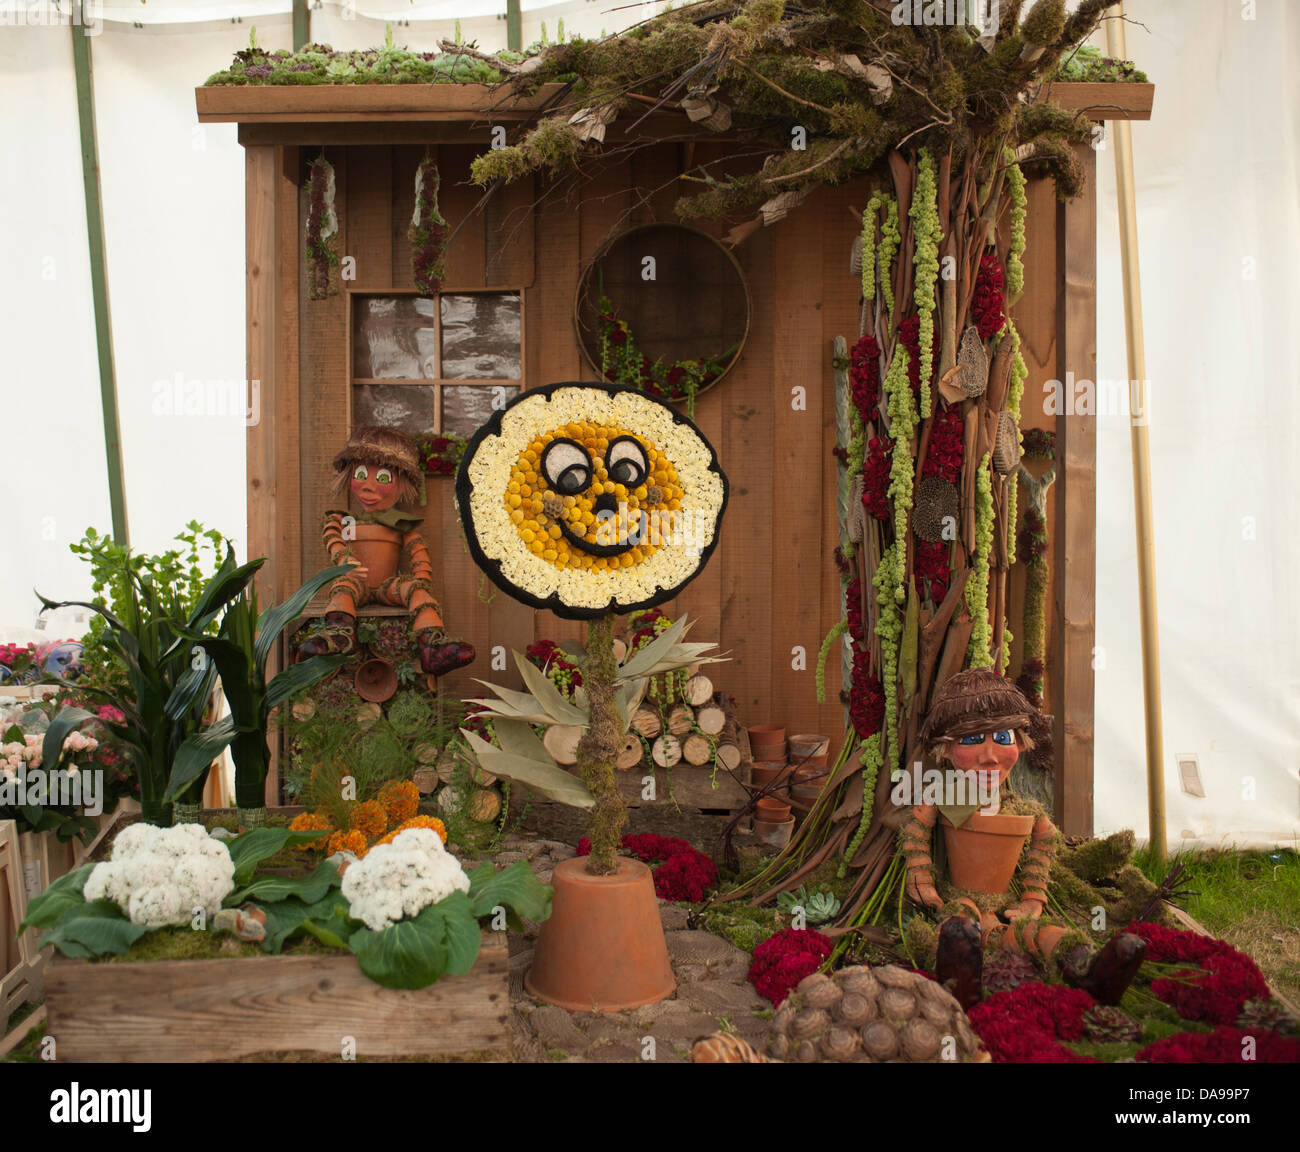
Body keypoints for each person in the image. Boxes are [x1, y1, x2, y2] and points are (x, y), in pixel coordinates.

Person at [899, 668, 1145, 1006]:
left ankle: (1084, 964)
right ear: (946, 748)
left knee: (1029, 931)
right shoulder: (946, 796)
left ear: (1020, 742)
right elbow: (916, 828)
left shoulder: (1022, 809)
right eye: (971, 740)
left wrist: (1033, 895)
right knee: (961, 921)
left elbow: (1045, 841)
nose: (989, 755)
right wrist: (921, 878)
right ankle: (958, 972)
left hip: (1006, 899)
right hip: (961, 895)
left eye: (1002, 739)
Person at [296, 426, 474, 678]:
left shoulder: (401, 524)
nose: (368, 487)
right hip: (355, 582)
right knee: (342, 588)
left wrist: (421, 578)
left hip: (387, 587)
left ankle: (432, 647)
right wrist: (345, 560)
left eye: (382, 478)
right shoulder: (342, 519)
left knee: (418, 593)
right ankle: (341, 636)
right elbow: (331, 535)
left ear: (402, 485)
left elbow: (417, 549)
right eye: (360, 474)